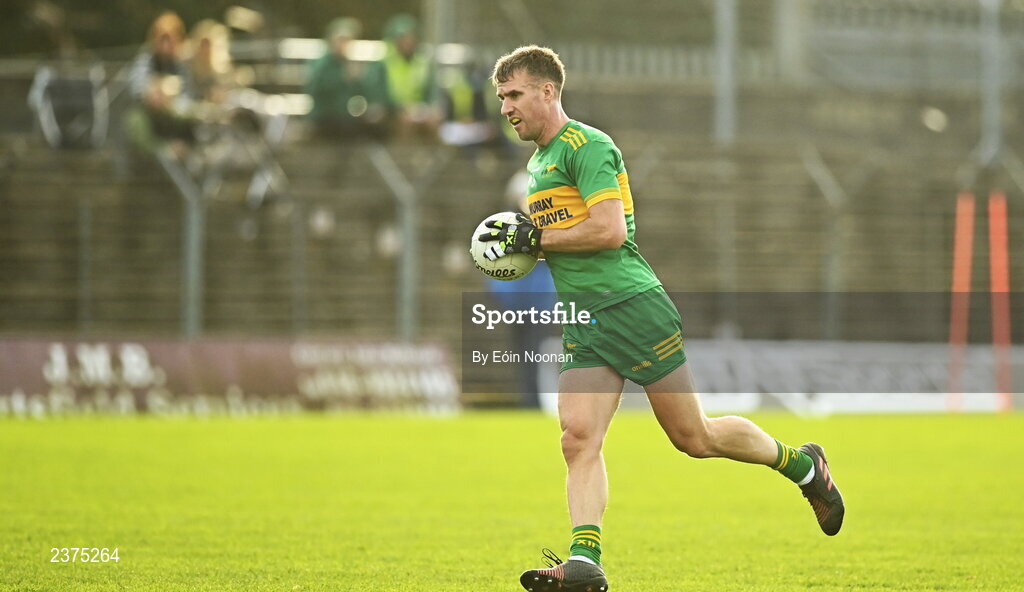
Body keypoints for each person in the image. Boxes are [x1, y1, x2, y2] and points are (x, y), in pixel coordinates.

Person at [478, 46, 845, 592]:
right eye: (501, 97)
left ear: (547, 91)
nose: (506, 107)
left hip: (631, 307)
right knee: (577, 438)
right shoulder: (536, 165)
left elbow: (609, 231)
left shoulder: (587, 146)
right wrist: (521, 250)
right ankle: (585, 562)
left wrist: (534, 240)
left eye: (514, 94)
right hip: (585, 319)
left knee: (694, 437)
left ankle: (804, 466)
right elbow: (560, 242)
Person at [304, 17, 390, 139]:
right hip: (325, 114)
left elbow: (360, 92)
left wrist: (371, 104)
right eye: (341, 40)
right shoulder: (322, 63)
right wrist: (342, 77)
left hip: (345, 115)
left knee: (377, 127)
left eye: (347, 41)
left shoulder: (346, 62)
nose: (344, 44)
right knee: (347, 128)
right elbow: (314, 89)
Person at [379, 14, 439, 137]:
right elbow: (381, 94)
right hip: (394, 111)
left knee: (434, 119)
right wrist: (401, 108)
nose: (408, 42)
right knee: (405, 122)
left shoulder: (422, 62)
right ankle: (402, 149)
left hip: (419, 109)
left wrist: (429, 108)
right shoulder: (385, 63)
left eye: (410, 38)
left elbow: (431, 91)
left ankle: (431, 150)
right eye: (403, 38)